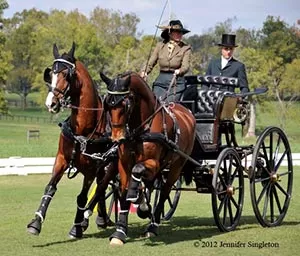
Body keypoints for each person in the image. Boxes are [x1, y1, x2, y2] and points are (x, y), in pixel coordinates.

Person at [140, 19, 192, 102]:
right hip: (160, 81)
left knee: (169, 104)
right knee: (154, 103)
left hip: (176, 82)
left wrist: (180, 71)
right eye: (176, 32)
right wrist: (144, 72)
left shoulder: (185, 48)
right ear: (170, 33)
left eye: (180, 32)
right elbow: (151, 62)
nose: (179, 34)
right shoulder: (160, 46)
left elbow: (186, 66)